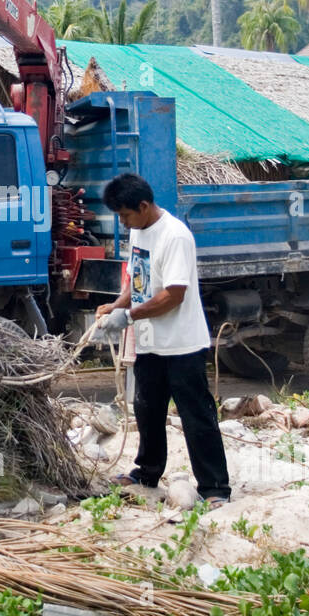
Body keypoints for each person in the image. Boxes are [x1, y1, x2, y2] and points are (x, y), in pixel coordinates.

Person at [95, 173, 231, 504]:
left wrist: (127, 316)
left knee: (196, 414)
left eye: (125, 215)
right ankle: (147, 471)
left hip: (182, 343)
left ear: (143, 206)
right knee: (147, 409)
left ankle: (215, 488)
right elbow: (138, 280)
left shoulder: (175, 237)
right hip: (151, 341)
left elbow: (173, 295)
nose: (124, 222)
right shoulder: (140, 230)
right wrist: (115, 305)